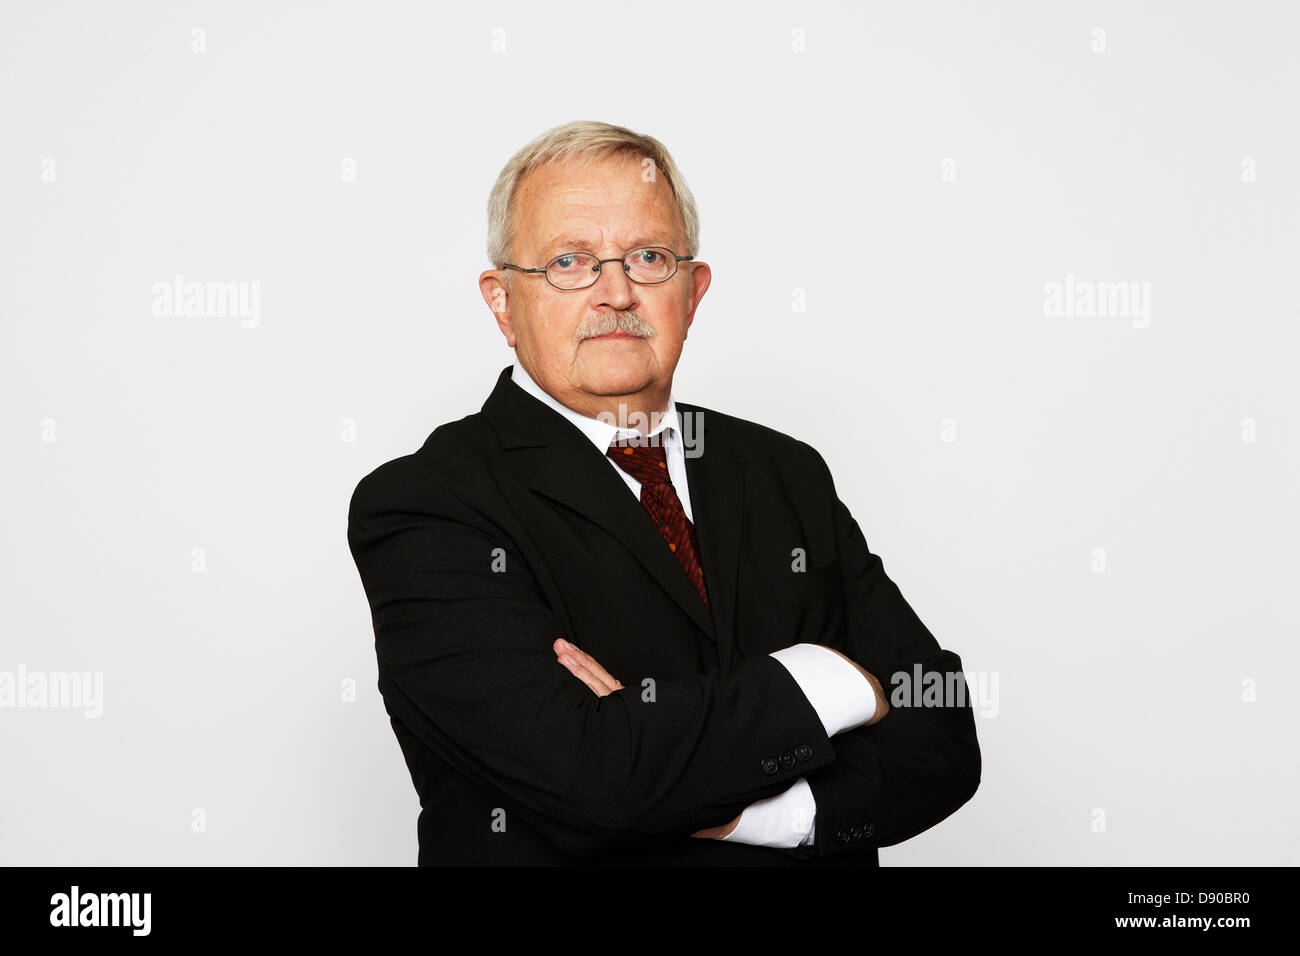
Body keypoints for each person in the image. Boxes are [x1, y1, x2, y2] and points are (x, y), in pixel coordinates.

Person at [346, 120, 980, 865]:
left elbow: (941, 727)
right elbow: (594, 777)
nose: (614, 291)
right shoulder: (428, 504)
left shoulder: (784, 472)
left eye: (648, 257)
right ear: (500, 302)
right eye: (568, 262)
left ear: (693, 288)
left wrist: (771, 814)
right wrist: (832, 678)